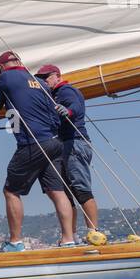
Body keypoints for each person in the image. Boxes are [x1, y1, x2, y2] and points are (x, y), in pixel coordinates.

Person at [0, 51, 76, 250]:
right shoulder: (39, 83)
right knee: (57, 191)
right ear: (19, 62)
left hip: (33, 143)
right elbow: (53, 116)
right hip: (54, 142)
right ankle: (69, 240)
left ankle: (15, 242)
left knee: (10, 191)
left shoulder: (5, 78)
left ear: (0, 67)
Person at [36, 64, 99, 233]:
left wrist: (68, 111)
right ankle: (70, 236)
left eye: (46, 77)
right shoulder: (52, 95)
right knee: (67, 193)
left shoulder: (65, 91)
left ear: (57, 75)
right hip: (65, 145)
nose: (43, 81)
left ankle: (94, 233)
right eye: (40, 78)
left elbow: (75, 106)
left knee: (80, 189)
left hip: (74, 143)